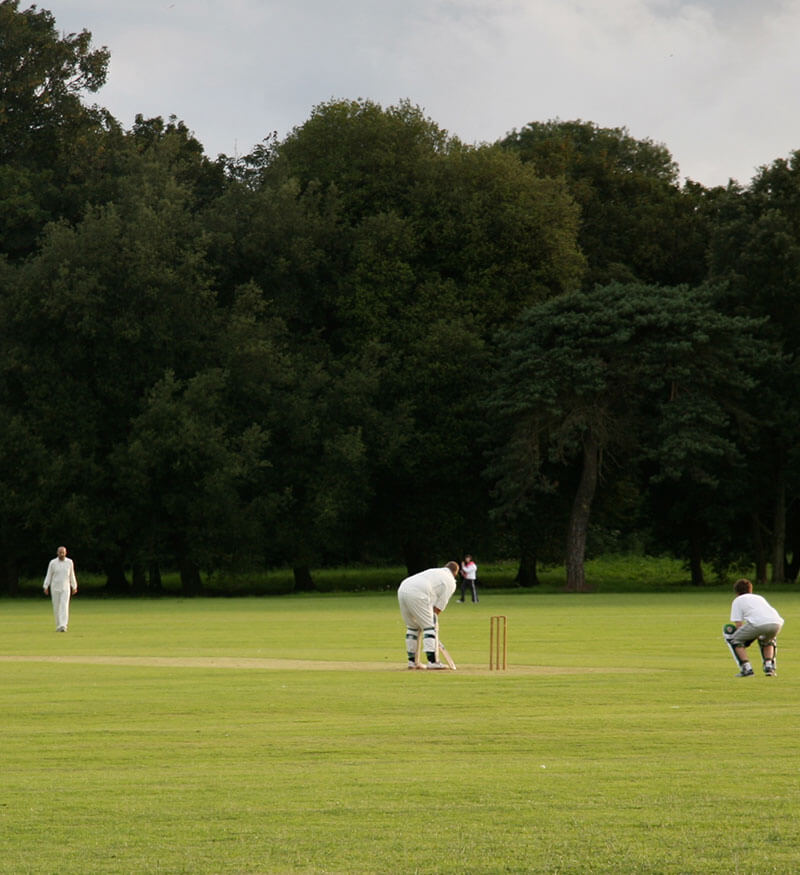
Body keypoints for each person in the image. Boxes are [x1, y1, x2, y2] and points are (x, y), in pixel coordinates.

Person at [398, 562, 459, 669]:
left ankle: (412, 662)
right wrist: (431, 625)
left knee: (412, 627)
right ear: (455, 573)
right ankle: (433, 662)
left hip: (403, 588)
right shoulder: (450, 581)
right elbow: (438, 608)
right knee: (430, 626)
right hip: (418, 593)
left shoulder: (435, 571)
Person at [724, 578, 783, 677]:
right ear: (751, 590)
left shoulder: (737, 600)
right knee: (767, 639)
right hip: (776, 622)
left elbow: (739, 625)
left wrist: (747, 640)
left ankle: (746, 668)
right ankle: (769, 666)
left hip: (758, 624)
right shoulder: (759, 597)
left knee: (734, 639)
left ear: (737, 592)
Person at [43, 545, 78, 632]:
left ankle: (63, 625)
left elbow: (72, 575)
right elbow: (49, 575)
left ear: (66, 553)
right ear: (57, 553)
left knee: (64, 606)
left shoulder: (69, 562)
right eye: (60, 552)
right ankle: (58, 625)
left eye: (63, 552)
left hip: (65, 588)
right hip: (55, 588)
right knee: (56, 607)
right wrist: (46, 586)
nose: (62, 554)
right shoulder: (53, 563)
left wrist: (74, 586)